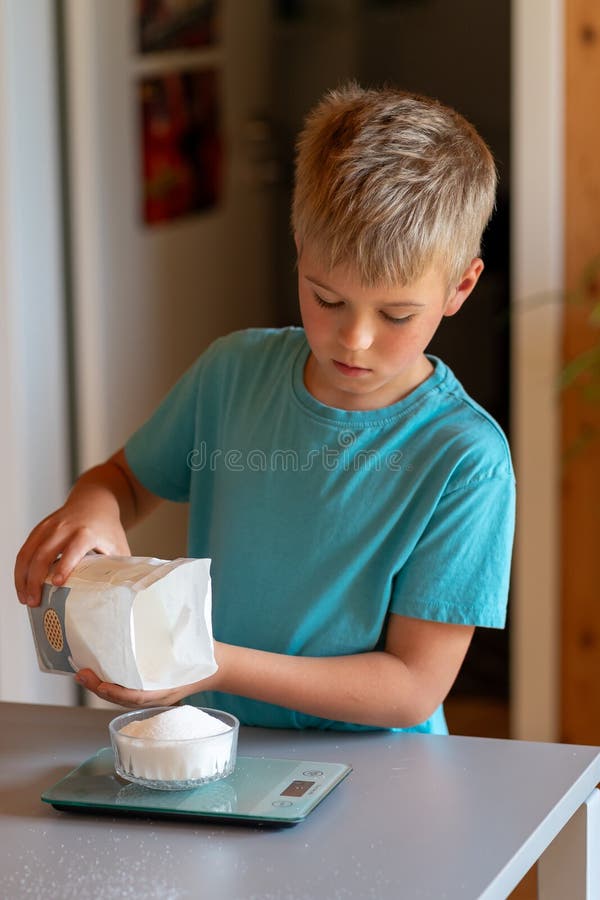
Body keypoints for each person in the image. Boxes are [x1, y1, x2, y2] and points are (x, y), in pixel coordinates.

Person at [14, 84, 515, 733]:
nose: (354, 339)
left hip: (384, 775)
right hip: (217, 746)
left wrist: (214, 665)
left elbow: (412, 689)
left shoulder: (465, 461)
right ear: (300, 250)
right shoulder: (232, 373)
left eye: (395, 314)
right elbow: (127, 480)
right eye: (326, 298)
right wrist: (93, 506)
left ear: (462, 286)